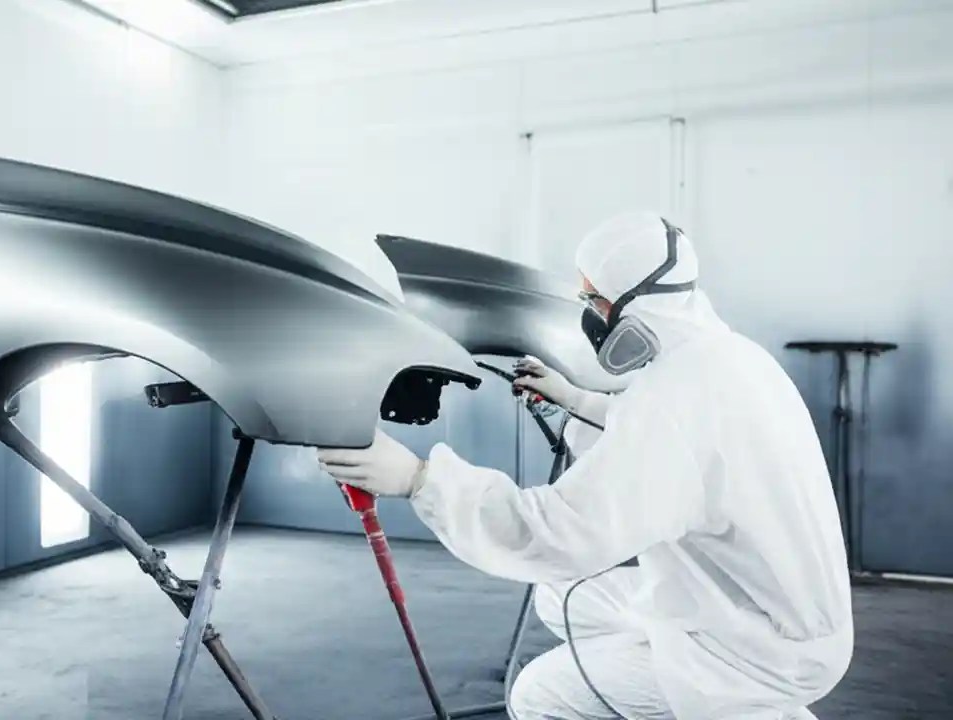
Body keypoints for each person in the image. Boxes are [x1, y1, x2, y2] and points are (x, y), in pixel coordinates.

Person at [318, 212, 852, 719]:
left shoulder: (674, 402)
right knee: (561, 597)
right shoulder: (727, 360)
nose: (589, 314)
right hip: (766, 603)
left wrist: (420, 481)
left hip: (757, 649)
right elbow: (666, 445)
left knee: (540, 695)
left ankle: (743, 705)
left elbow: (557, 534)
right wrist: (575, 400)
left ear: (636, 307)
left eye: (593, 299)